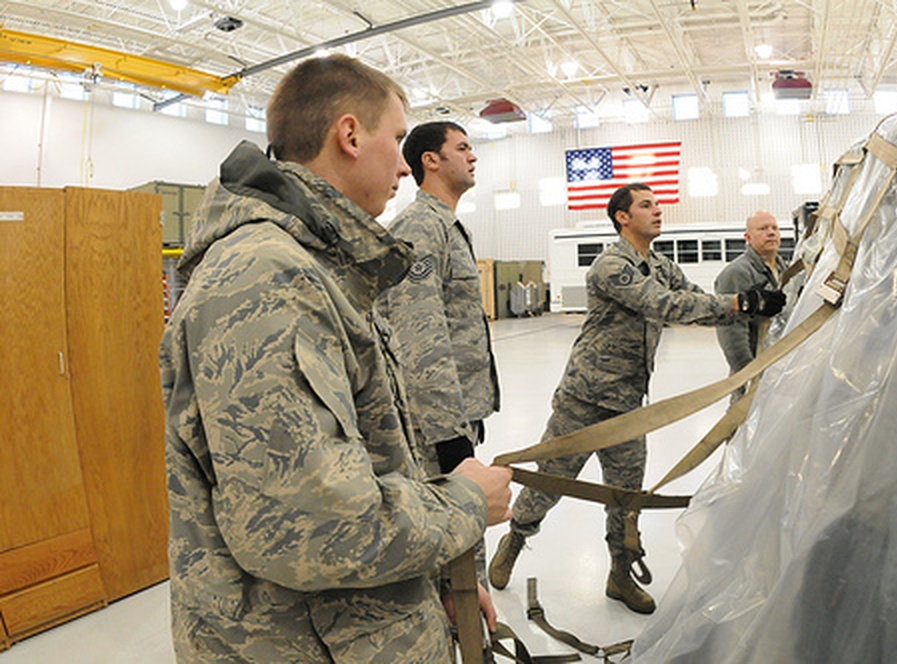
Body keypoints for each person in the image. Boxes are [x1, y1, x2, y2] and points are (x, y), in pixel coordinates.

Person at [160, 54, 512, 663]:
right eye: (398, 139)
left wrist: (435, 585)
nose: (405, 164)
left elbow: (369, 459)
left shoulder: (328, 264)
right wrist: (464, 504)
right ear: (349, 135)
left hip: (359, 625)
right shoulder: (266, 277)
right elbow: (309, 524)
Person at [488, 183, 784, 614]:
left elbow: (694, 301)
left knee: (626, 498)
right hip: (584, 400)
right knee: (549, 485)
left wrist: (745, 306)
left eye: (657, 204)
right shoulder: (611, 264)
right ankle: (515, 540)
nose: (657, 211)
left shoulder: (661, 264)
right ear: (622, 217)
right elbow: (662, 304)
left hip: (629, 402)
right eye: (646, 205)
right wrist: (740, 301)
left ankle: (620, 576)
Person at [377, 121, 500, 476]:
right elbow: (418, 336)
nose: (472, 156)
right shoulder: (420, 227)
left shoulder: (447, 226)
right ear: (431, 160)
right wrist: (449, 438)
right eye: (462, 148)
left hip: (453, 417)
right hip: (430, 431)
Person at [714, 210, 789, 399]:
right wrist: (748, 373)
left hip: (781, 365)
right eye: (763, 228)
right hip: (754, 368)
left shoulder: (785, 269)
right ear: (748, 237)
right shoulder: (737, 272)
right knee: (743, 420)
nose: (771, 232)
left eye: (775, 228)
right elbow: (731, 331)